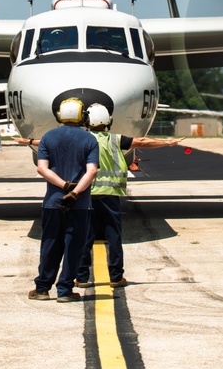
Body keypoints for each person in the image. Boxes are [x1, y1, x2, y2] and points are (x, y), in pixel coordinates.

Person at [75, 103, 185, 289]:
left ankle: (82, 277)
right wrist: (168, 142)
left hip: (88, 195)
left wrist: (29, 142)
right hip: (111, 195)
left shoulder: (82, 140)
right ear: (108, 121)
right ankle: (116, 277)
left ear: (87, 121)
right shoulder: (117, 139)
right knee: (114, 236)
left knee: (86, 236)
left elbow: (53, 142)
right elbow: (142, 142)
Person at [28, 98, 99, 303]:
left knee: (50, 244)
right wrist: (75, 192)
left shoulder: (48, 137)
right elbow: (91, 170)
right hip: (80, 204)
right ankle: (65, 290)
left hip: (53, 201)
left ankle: (42, 288)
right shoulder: (89, 139)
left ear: (59, 115)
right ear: (82, 117)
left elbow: (42, 168)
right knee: (74, 246)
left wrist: (63, 186)